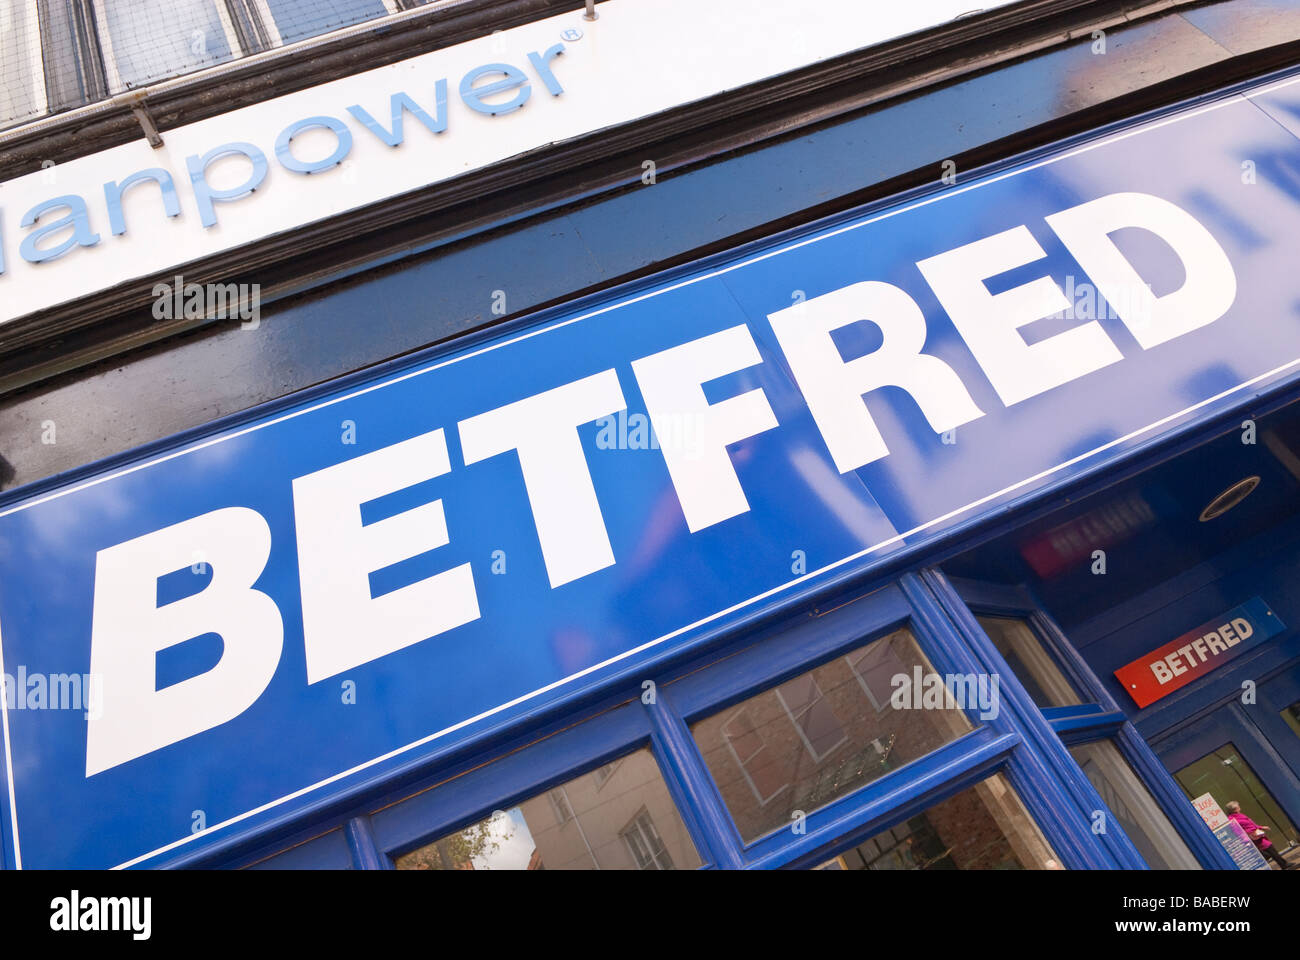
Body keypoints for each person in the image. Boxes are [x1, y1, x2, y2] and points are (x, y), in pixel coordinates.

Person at [1226, 801, 1293, 870]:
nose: (1240, 808)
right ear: (1235, 809)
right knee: (1270, 849)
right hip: (1253, 837)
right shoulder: (1232, 819)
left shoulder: (1240, 815)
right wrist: (1246, 838)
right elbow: (1237, 831)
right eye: (1238, 807)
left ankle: (1283, 864)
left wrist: (1261, 827)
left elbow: (1250, 823)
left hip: (1257, 834)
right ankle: (1283, 864)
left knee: (1270, 849)